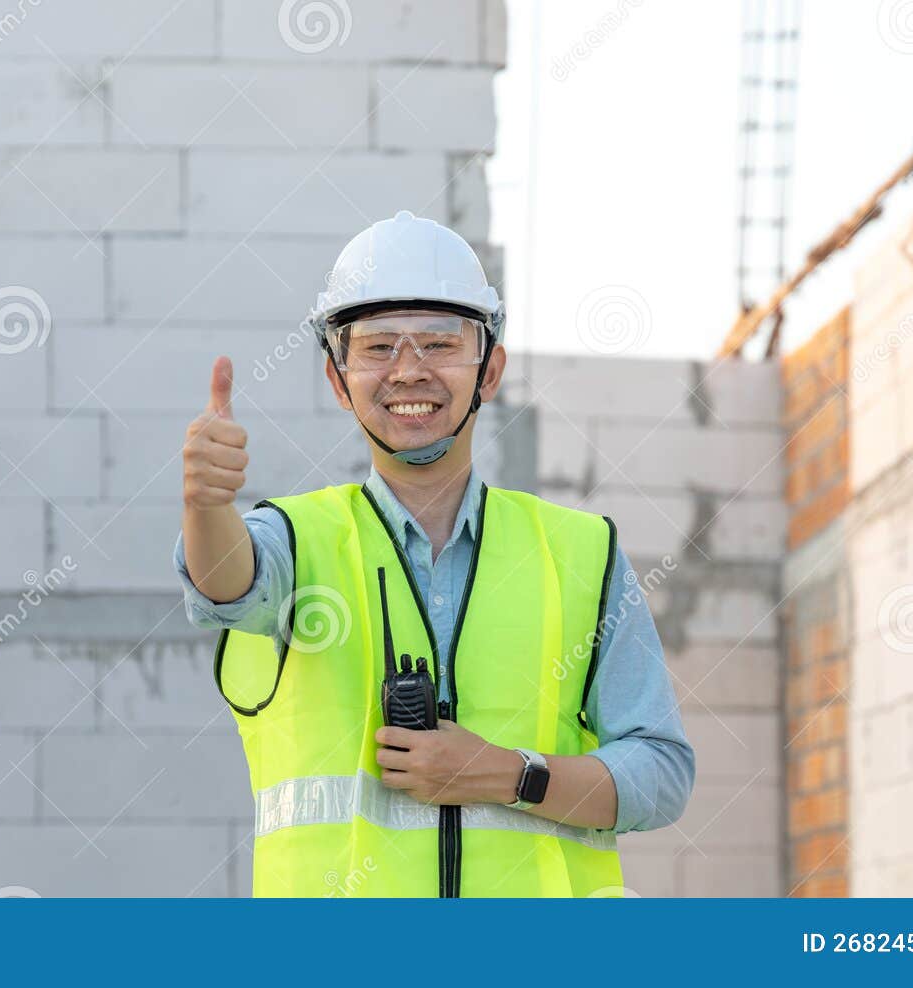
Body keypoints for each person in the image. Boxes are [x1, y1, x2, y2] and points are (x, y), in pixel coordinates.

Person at [173, 210, 693, 897]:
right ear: (338, 379)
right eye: (379, 346)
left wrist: (512, 774)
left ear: (490, 370)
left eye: (439, 344)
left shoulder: (582, 553)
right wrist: (207, 505)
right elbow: (227, 587)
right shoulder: (295, 541)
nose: (409, 371)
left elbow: (660, 774)